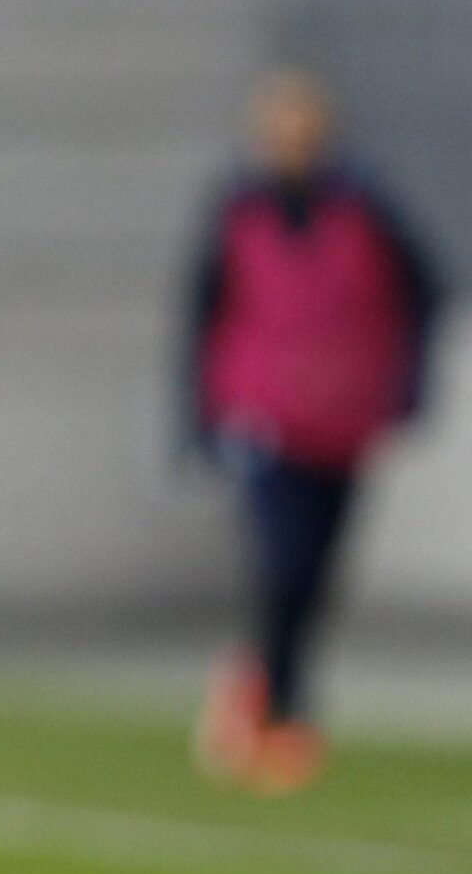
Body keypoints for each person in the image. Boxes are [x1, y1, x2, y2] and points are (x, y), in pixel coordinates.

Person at [182, 68, 447, 794]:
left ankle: (264, 683)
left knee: (320, 572)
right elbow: (203, 313)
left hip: (343, 415)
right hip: (265, 413)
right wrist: (198, 414)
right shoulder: (239, 211)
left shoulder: (364, 204)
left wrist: (408, 382)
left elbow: (426, 287)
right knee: (283, 562)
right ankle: (285, 711)